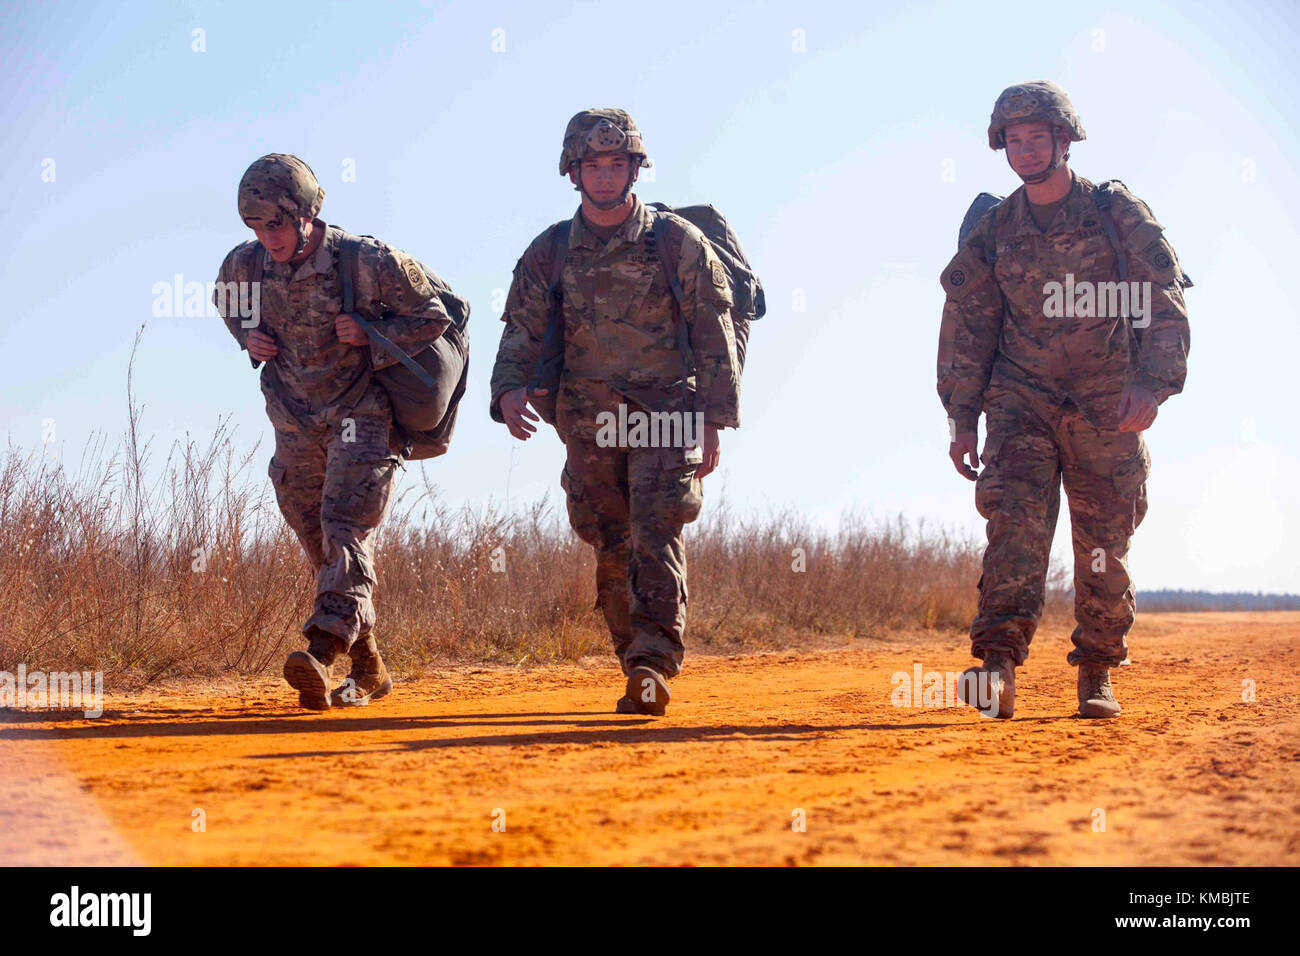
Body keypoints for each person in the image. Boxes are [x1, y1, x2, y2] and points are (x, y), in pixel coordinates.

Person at [937, 82, 1191, 718]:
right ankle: (995, 666)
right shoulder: (995, 228)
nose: (1024, 151)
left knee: (1103, 540)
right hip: (1020, 399)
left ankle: (1098, 669)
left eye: (1036, 138)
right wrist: (962, 416)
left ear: (1064, 139)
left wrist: (1152, 386)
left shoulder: (1114, 213)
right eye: (1013, 141)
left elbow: (1165, 298)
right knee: (1014, 530)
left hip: (1107, 400)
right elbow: (970, 326)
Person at [489, 110, 741, 716]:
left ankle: (654, 662)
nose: (605, 176)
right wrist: (508, 390)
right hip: (586, 417)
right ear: (573, 173)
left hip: (666, 412)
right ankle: (633, 656)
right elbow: (521, 325)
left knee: (656, 529)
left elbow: (715, 330)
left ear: (635, 168)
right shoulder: (550, 250)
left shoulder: (677, 242)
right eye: (593, 165)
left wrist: (713, 419)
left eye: (616, 164)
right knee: (610, 540)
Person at [213, 153, 453, 709]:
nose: (266, 236)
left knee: (345, 526)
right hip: (293, 420)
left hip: (362, 416)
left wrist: (371, 331)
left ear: (304, 213)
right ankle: (368, 667)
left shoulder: (365, 260)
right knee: (318, 541)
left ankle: (320, 651)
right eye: (254, 225)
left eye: (276, 223)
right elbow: (227, 303)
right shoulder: (244, 266)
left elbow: (434, 315)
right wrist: (247, 337)